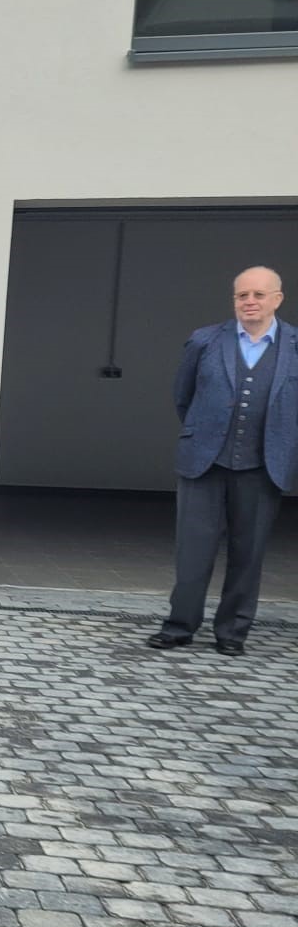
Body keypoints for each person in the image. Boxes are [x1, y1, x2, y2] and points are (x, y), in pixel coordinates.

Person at [146, 266, 293, 657]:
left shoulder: (294, 345)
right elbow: (184, 395)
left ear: (277, 299)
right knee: (193, 550)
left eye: (258, 295)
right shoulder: (205, 340)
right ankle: (179, 626)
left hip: (263, 466)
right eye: (242, 295)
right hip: (203, 462)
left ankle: (232, 632)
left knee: (249, 552)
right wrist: (205, 433)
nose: (249, 302)